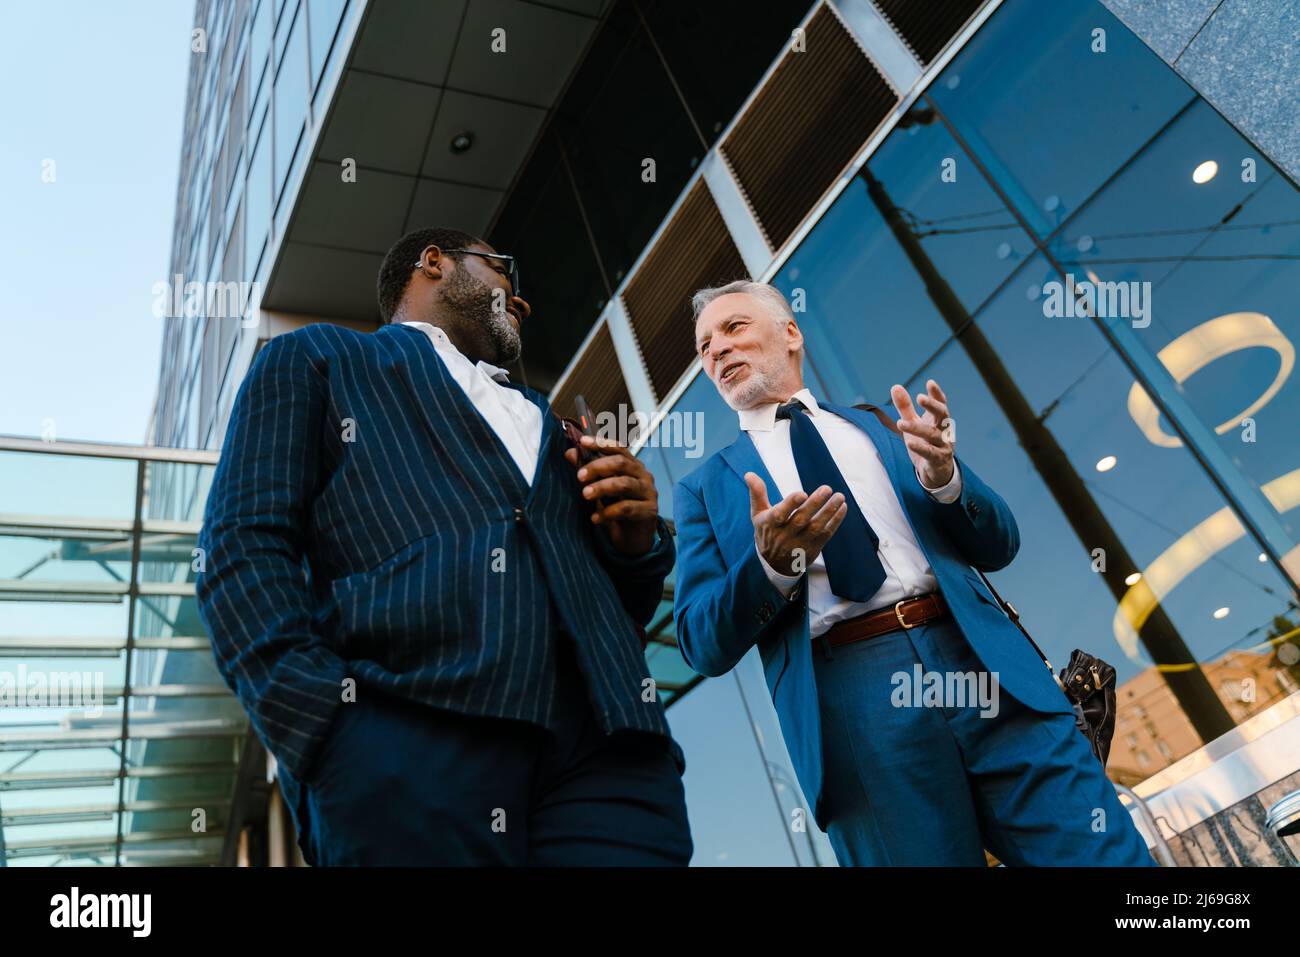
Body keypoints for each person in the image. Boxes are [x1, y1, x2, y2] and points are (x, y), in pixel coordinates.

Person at [197, 226, 691, 866]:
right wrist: (321, 729)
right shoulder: (318, 358)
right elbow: (241, 545)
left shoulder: (548, 419)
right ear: (434, 263)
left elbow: (615, 602)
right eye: (502, 269)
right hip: (405, 739)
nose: (522, 298)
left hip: (610, 758)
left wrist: (636, 543)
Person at [672, 279, 1154, 866]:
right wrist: (771, 567)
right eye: (704, 346)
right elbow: (701, 642)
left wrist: (946, 480)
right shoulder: (703, 489)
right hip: (854, 703)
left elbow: (1000, 544)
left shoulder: (883, 426)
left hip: (985, 665)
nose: (717, 349)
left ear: (791, 333)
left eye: (734, 328)